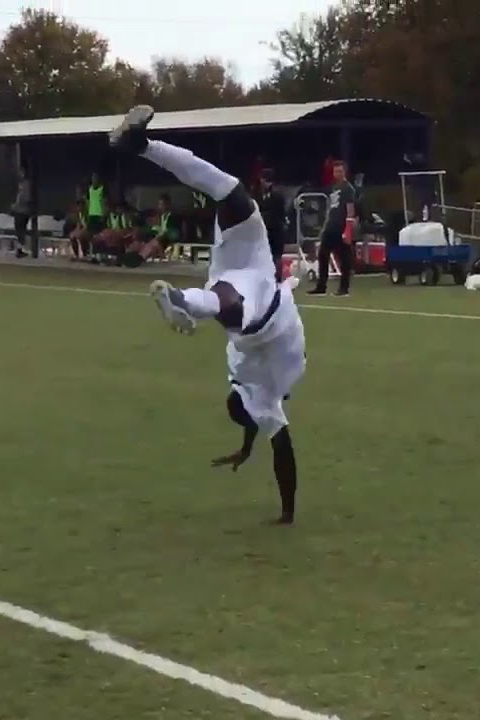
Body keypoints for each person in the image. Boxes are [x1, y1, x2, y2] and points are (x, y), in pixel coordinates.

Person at [114, 105, 306, 525]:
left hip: (259, 305)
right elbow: (258, 421)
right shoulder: (247, 386)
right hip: (255, 302)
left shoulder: (261, 396)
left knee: (228, 199)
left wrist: (253, 456)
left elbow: (269, 430)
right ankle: (141, 147)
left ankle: (184, 300)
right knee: (230, 199)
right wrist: (249, 450)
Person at [309, 160, 357, 296]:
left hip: (341, 227)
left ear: (345, 172)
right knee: (323, 255)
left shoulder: (348, 189)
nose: (338, 174)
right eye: (336, 171)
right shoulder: (333, 188)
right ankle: (321, 286)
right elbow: (331, 208)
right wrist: (325, 226)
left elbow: (350, 209)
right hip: (330, 225)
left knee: (344, 258)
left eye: (340, 171)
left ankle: (344, 287)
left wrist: (348, 229)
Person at [256, 169, 288, 279]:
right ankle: (273, 278)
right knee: (273, 256)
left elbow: (278, 213)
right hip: (272, 229)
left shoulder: (275, 195)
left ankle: (276, 279)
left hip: (274, 229)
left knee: (276, 256)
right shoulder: (263, 194)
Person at [10, 170, 32, 258]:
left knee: (20, 231)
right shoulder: (22, 185)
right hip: (20, 211)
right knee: (19, 231)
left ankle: (20, 249)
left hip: (22, 212)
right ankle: (20, 249)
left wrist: (15, 206)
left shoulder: (26, 185)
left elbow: (25, 199)